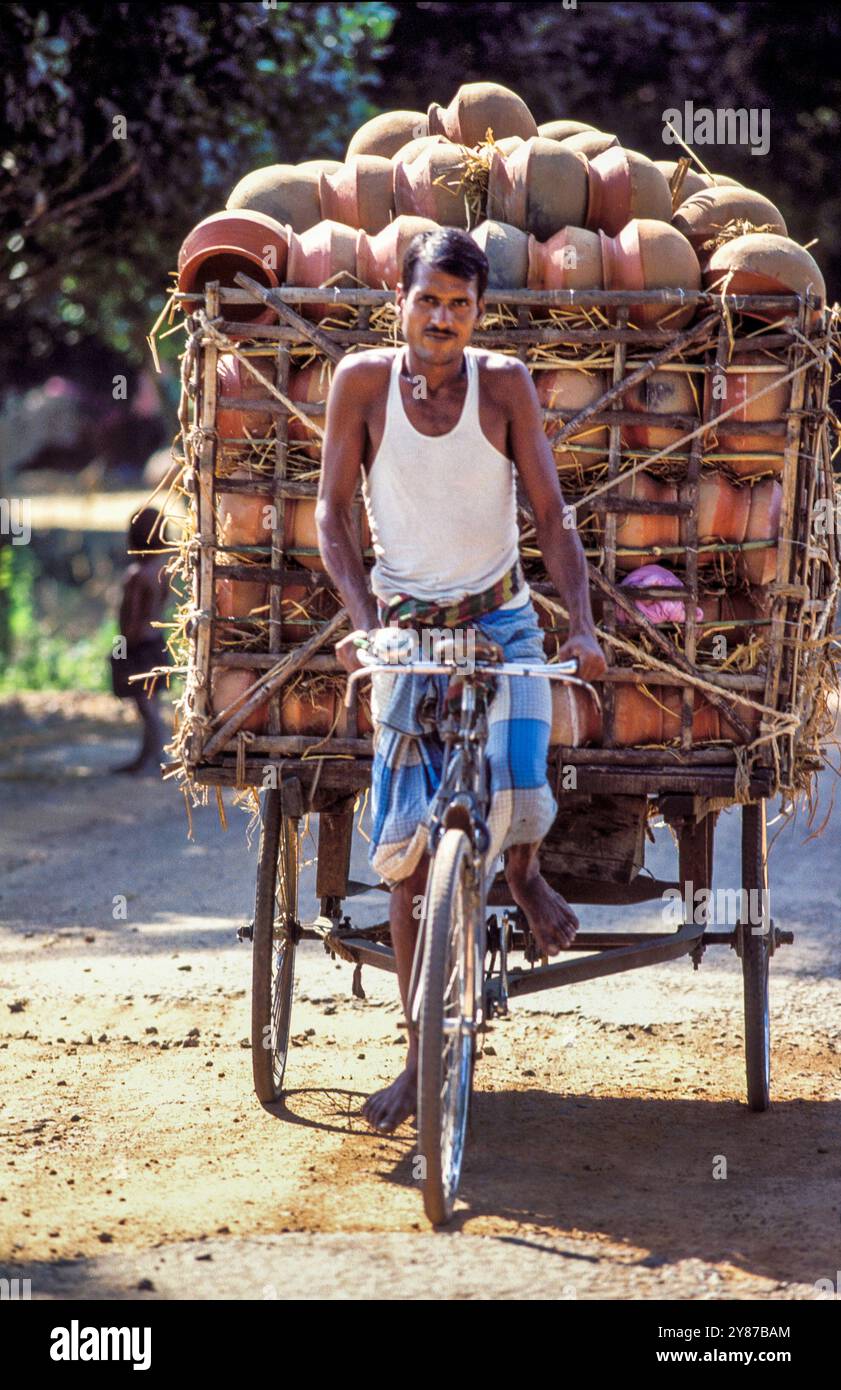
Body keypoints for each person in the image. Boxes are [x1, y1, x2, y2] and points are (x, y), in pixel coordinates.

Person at [316, 227, 606, 1133]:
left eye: (460, 305)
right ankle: (417, 1056)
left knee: (521, 765)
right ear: (397, 302)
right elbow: (330, 516)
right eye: (427, 300)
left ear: (479, 315)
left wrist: (585, 627)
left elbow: (552, 517)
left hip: (500, 617)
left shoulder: (505, 387)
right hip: (406, 626)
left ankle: (521, 873)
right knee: (404, 867)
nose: (441, 319)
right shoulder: (361, 384)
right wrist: (367, 631)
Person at [110, 506, 169, 775]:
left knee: (145, 707)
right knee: (151, 702)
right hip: (157, 642)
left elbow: (130, 619)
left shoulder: (135, 575)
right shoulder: (162, 571)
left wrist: (120, 649)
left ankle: (157, 756)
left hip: (137, 647)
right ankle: (146, 757)